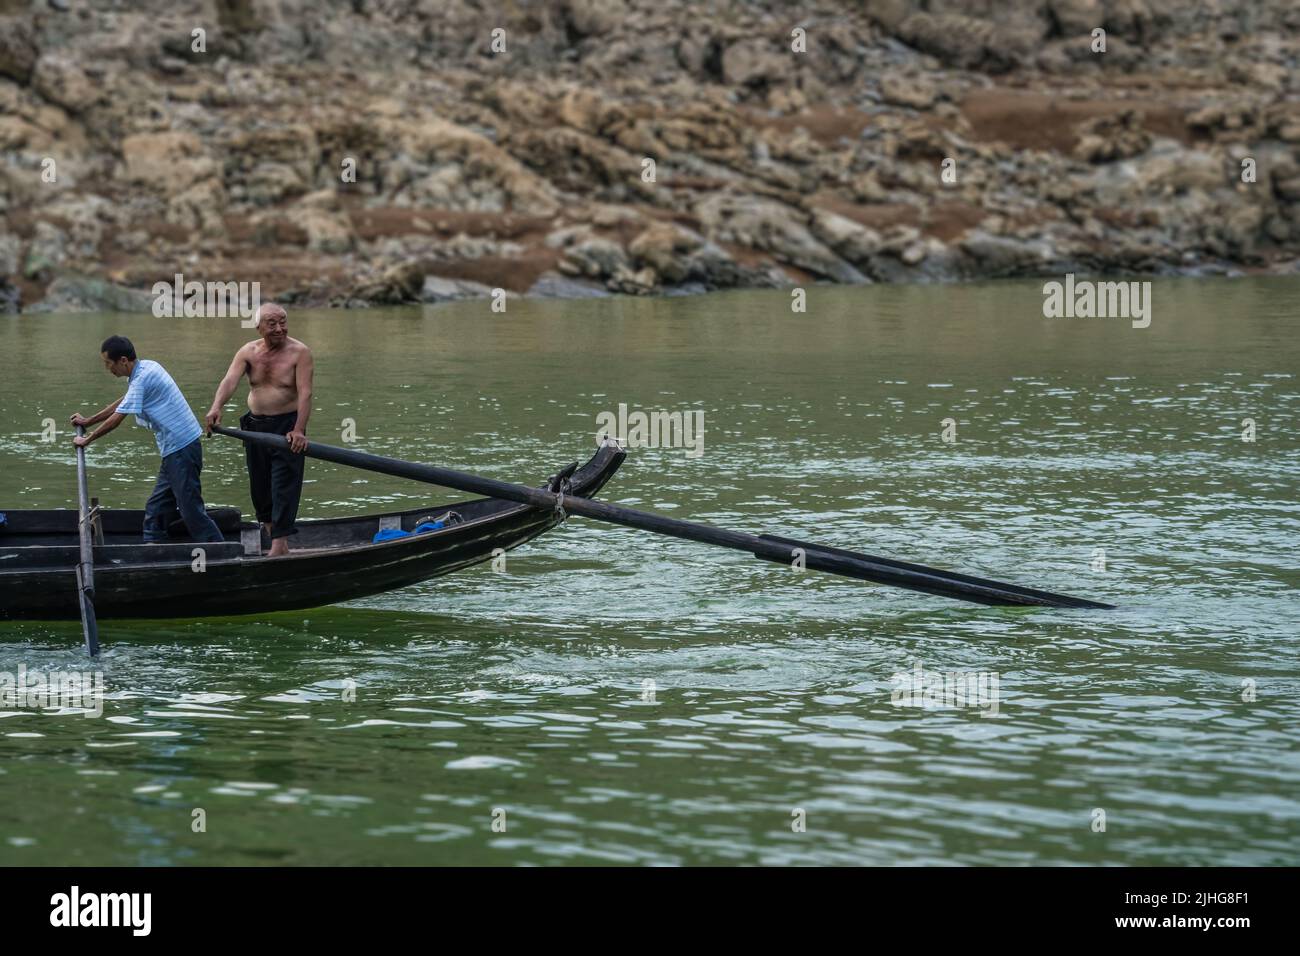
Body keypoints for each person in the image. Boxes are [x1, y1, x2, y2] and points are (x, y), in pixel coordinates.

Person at [70, 336, 224, 544]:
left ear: (123, 360)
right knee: (157, 508)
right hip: (174, 450)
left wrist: (88, 440)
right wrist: (89, 421)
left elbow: (117, 419)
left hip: (182, 449)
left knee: (190, 510)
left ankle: (222, 550)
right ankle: (153, 547)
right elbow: (124, 402)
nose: (108, 369)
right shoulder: (145, 369)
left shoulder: (143, 377)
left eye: (108, 363)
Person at [205, 302, 313, 557]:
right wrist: (216, 406)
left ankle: (279, 545)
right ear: (258, 328)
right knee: (260, 486)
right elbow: (230, 380)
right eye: (272, 323)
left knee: (283, 485)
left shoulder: (300, 352)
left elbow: (306, 393)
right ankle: (273, 536)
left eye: (283, 322)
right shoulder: (248, 351)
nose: (279, 328)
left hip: (287, 426)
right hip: (255, 427)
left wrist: (299, 429)